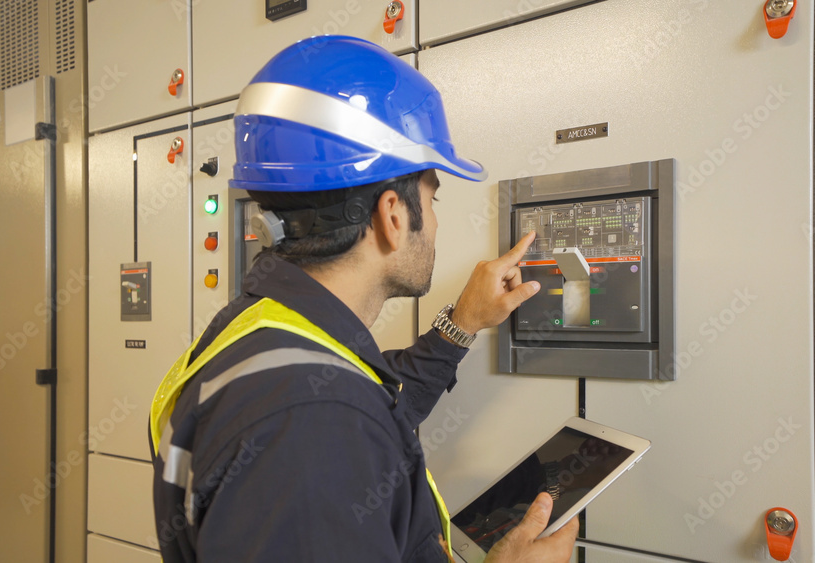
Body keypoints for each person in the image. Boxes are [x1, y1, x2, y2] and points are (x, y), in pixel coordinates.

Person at [148, 35, 579, 562]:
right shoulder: (312, 423)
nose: (437, 220)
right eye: (433, 196)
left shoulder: (272, 334)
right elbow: (333, 413)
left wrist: (462, 323)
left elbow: (370, 397)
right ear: (393, 215)